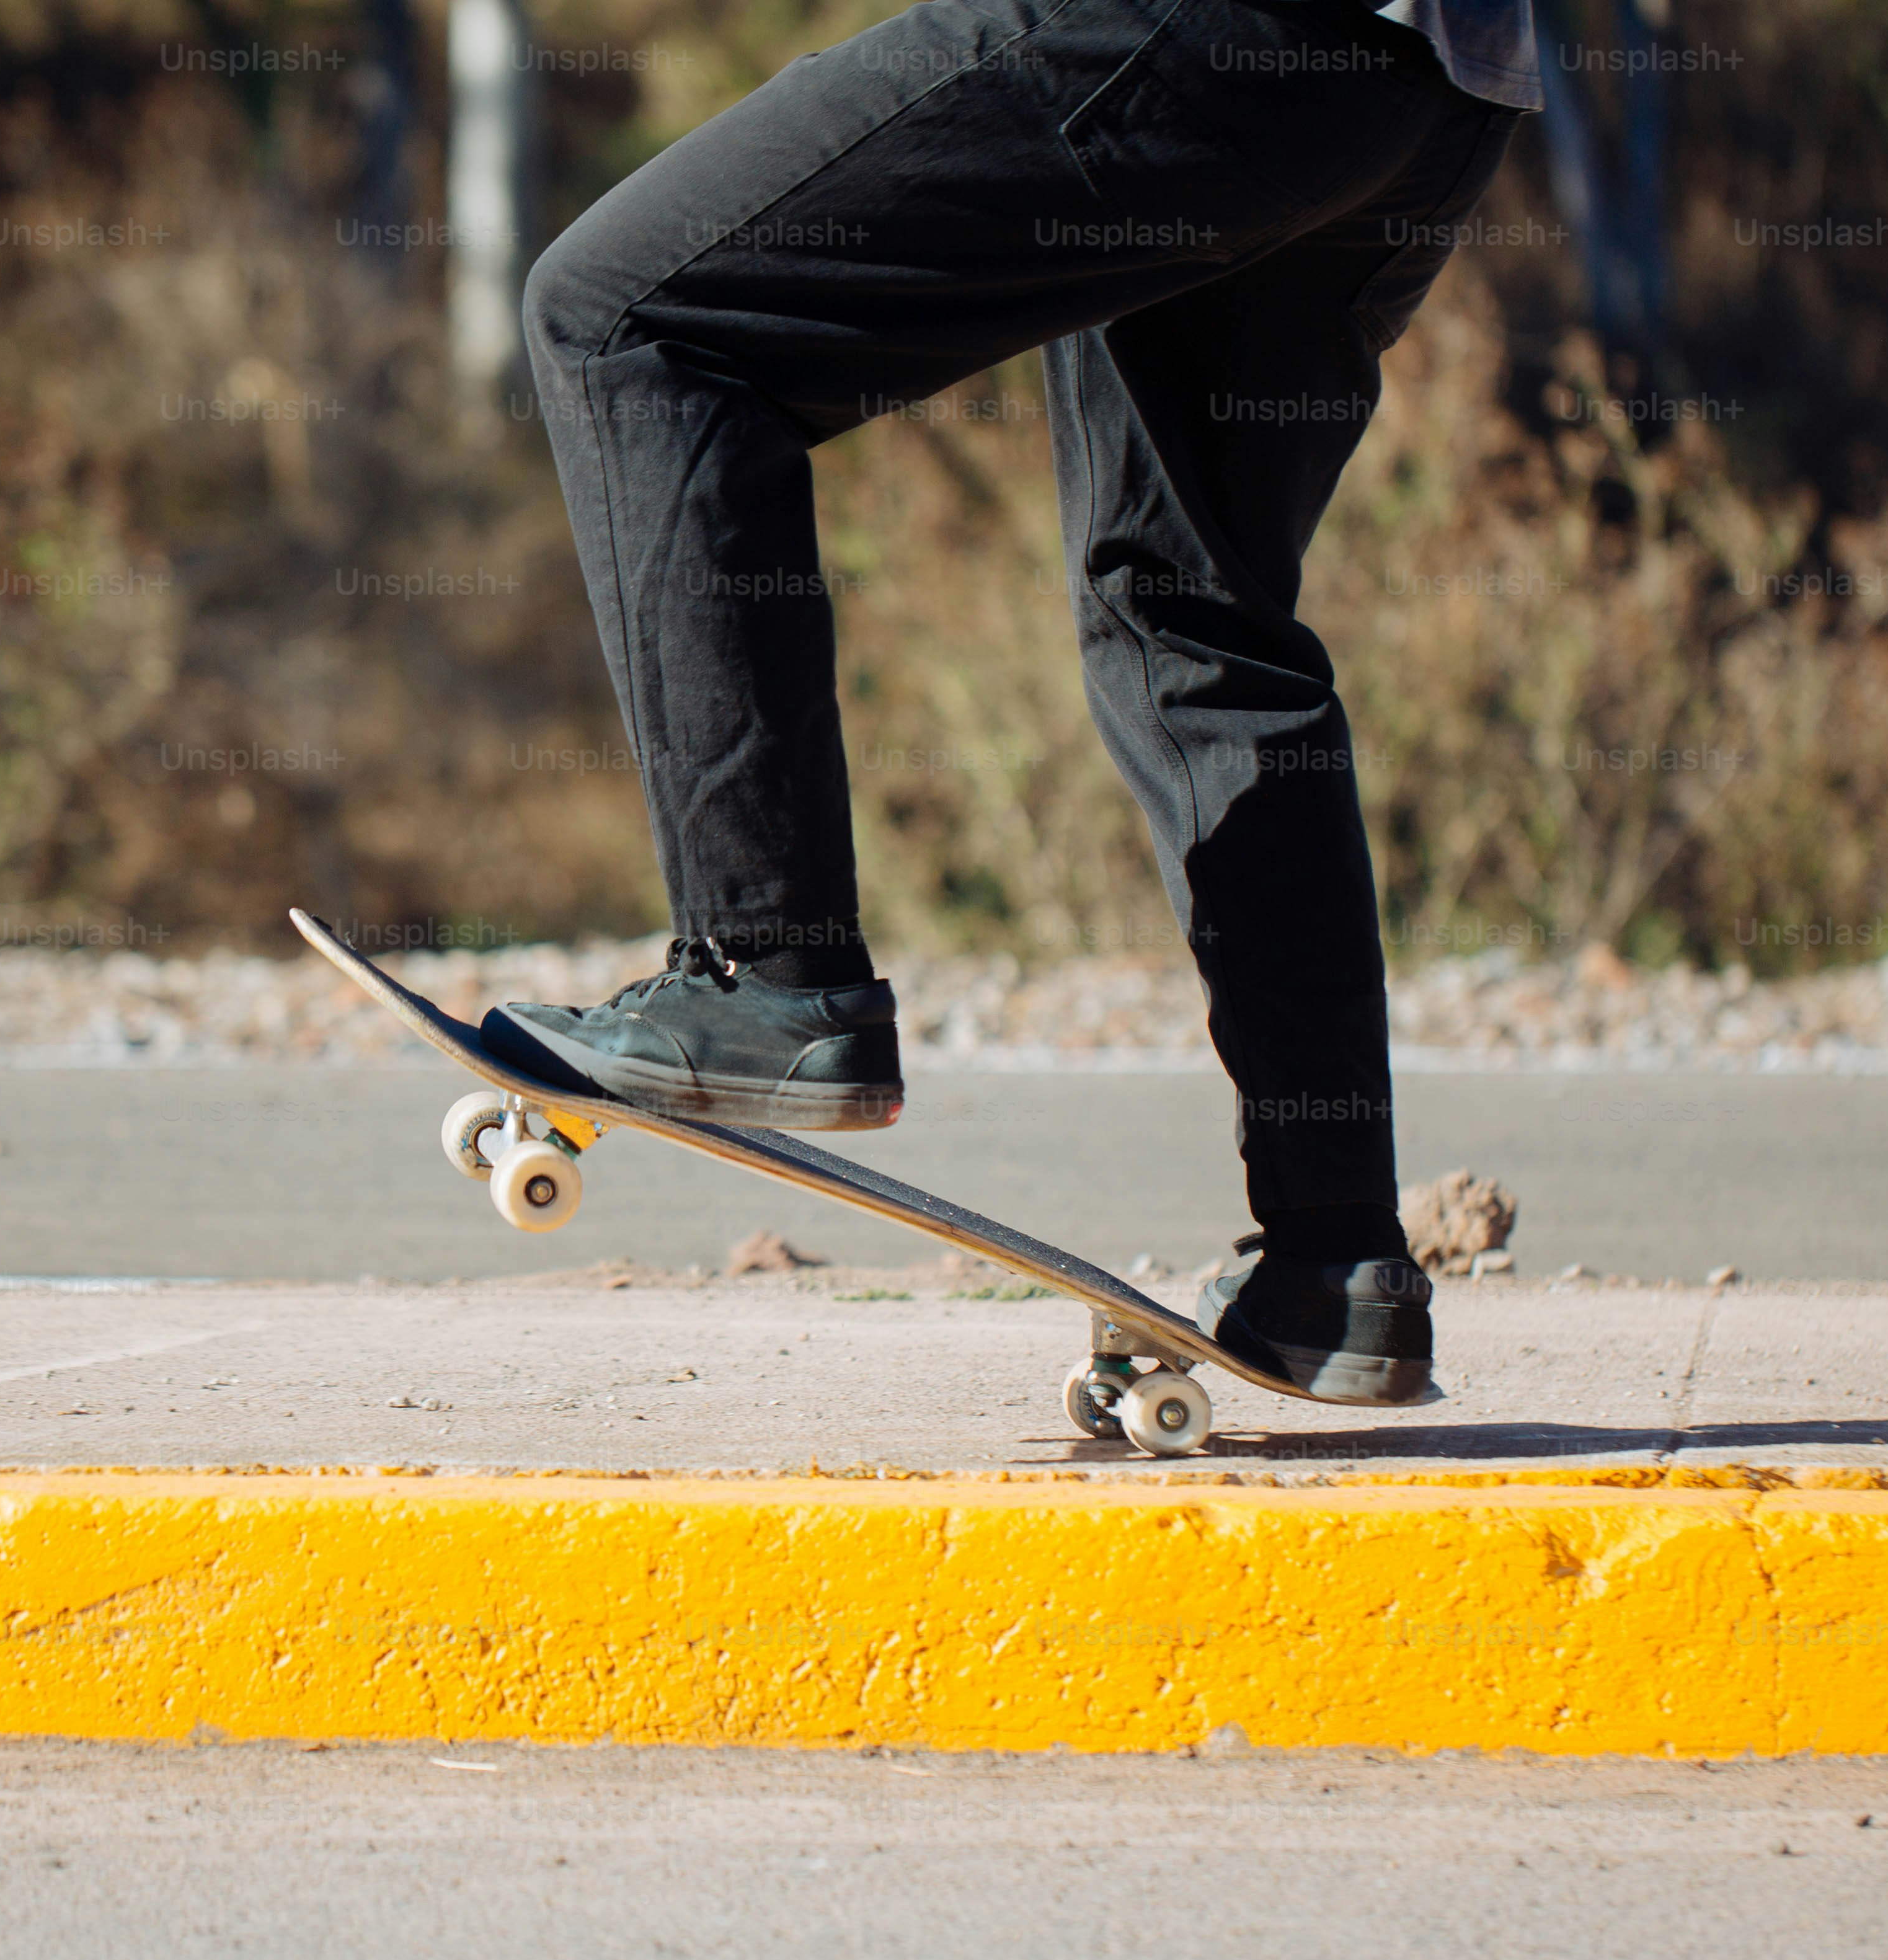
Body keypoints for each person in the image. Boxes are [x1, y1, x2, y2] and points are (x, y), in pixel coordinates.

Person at [482, 0, 1538, 1405]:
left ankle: (765, 978)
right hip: (1424, 85)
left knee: (629, 324)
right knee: (1193, 616)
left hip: (1207, 36)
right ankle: (1335, 1266)